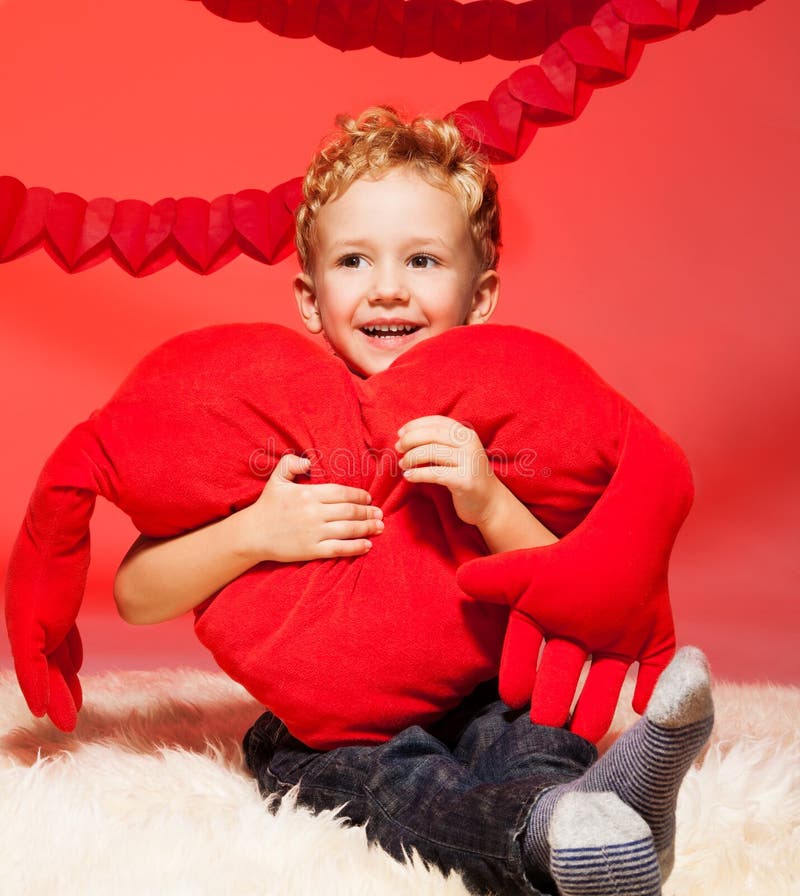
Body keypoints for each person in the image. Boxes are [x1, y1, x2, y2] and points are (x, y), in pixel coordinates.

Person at [113, 107, 713, 896]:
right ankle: (547, 837)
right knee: (381, 782)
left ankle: (613, 799)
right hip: (331, 723)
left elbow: (568, 583)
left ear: (481, 294)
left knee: (540, 725)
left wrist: (489, 499)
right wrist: (254, 532)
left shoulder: (505, 420)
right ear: (309, 298)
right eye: (353, 260)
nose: (388, 288)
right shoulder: (267, 423)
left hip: (485, 690)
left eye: (423, 260)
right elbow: (135, 594)